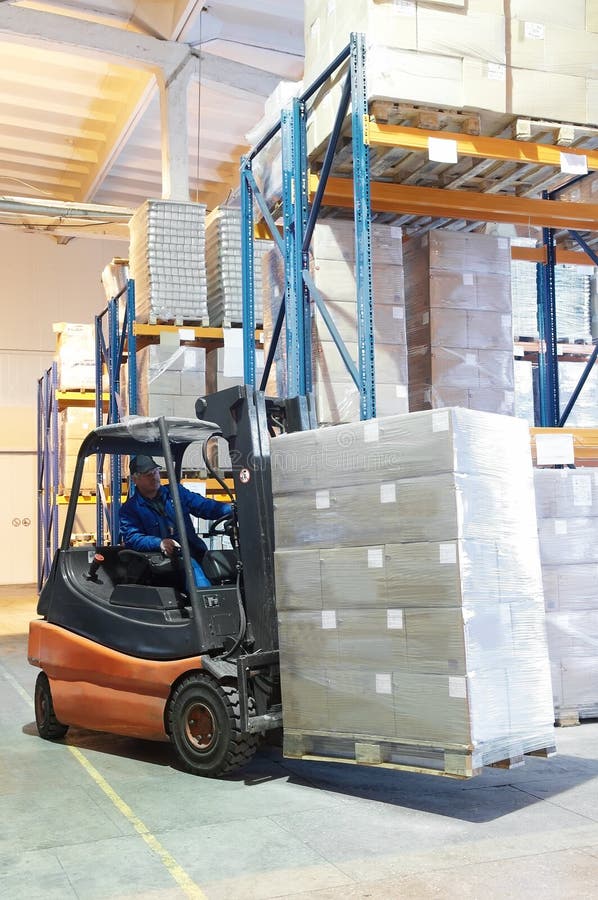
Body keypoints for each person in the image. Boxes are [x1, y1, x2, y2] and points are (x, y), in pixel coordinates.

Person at [119, 454, 232, 588]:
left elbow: (203, 506)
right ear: (135, 479)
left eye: (155, 471)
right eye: (148, 474)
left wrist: (232, 510)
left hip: (194, 552)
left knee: (226, 565)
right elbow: (133, 538)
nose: (154, 476)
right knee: (192, 568)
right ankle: (206, 603)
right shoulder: (130, 509)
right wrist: (160, 543)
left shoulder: (176, 492)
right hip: (160, 563)